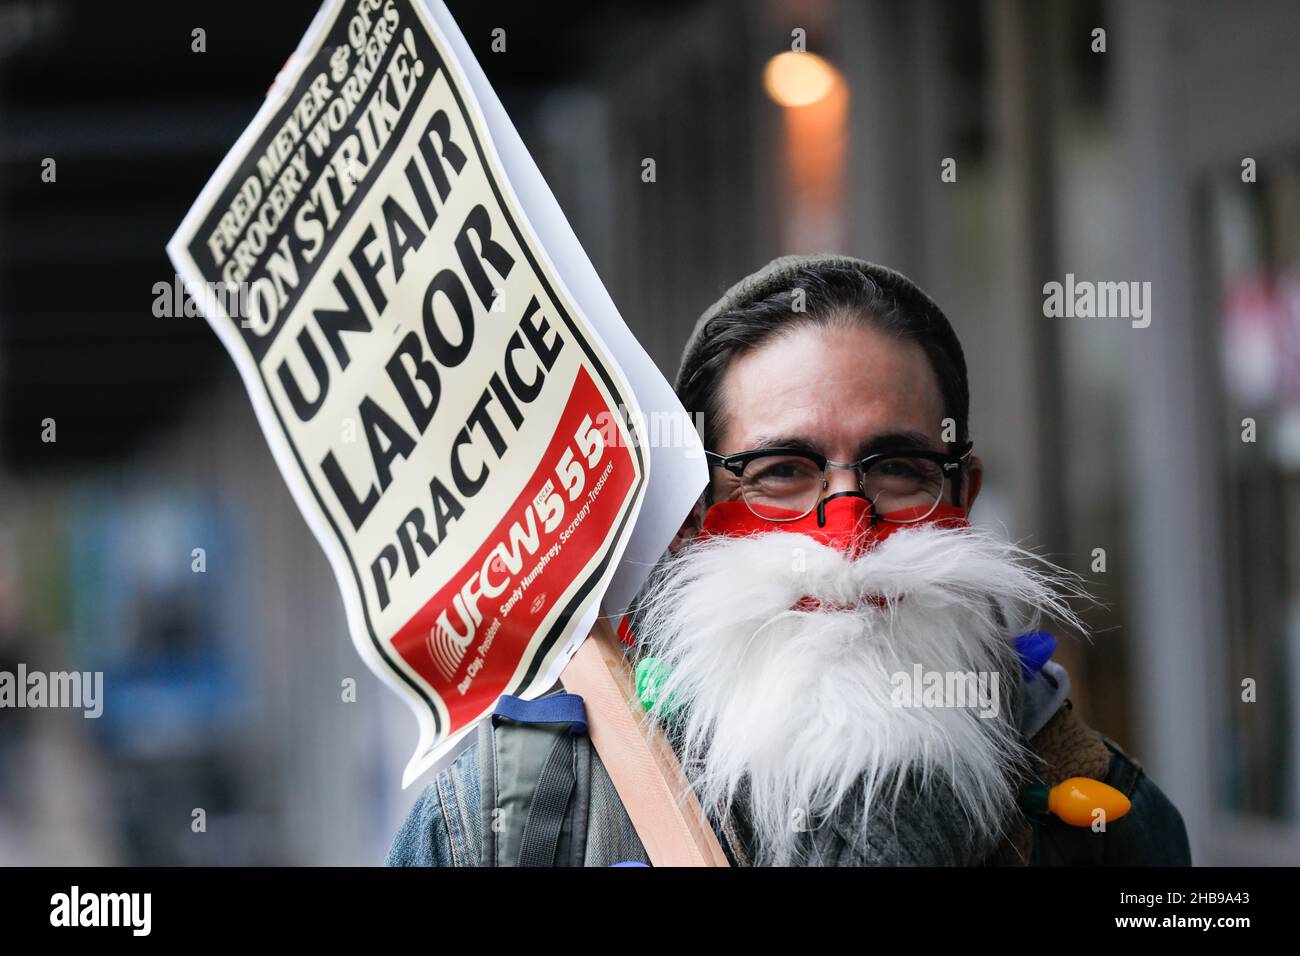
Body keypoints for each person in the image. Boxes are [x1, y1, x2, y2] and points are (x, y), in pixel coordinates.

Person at [387, 254, 1191, 867]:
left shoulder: (1109, 824)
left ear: (964, 493)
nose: (845, 535)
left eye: (899, 468)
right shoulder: (502, 823)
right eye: (780, 473)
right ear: (692, 514)